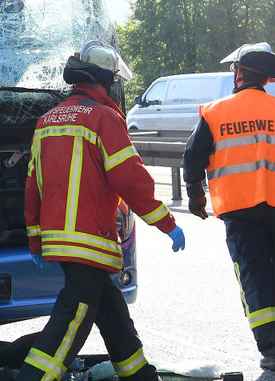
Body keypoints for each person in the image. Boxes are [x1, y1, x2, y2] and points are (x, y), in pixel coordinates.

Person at [20, 41, 184, 381]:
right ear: (106, 81)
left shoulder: (47, 121)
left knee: (110, 311)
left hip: (58, 241)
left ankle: (139, 375)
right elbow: (130, 179)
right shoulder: (105, 118)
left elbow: (32, 187)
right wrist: (166, 223)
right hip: (89, 239)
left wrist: (36, 241)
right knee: (75, 315)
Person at [181, 43, 275, 373]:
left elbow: (192, 157)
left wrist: (195, 195)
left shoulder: (216, 112)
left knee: (254, 277)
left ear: (241, 73)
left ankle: (273, 349)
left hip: (239, 210)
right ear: (267, 79)